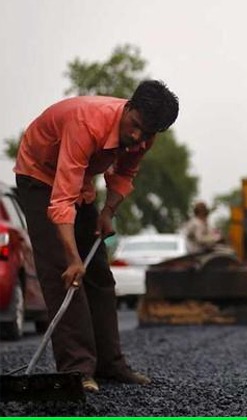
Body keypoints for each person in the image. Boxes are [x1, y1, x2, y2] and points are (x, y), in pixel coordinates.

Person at [14, 80, 179, 392]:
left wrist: (107, 212)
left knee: (100, 275)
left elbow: (124, 174)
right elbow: (62, 200)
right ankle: (76, 369)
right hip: (39, 175)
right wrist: (72, 257)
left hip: (80, 178)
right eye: (135, 127)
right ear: (128, 107)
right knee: (64, 274)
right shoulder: (86, 124)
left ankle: (110, 364)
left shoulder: (144, 135)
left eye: (146, 134)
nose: (136, 138)